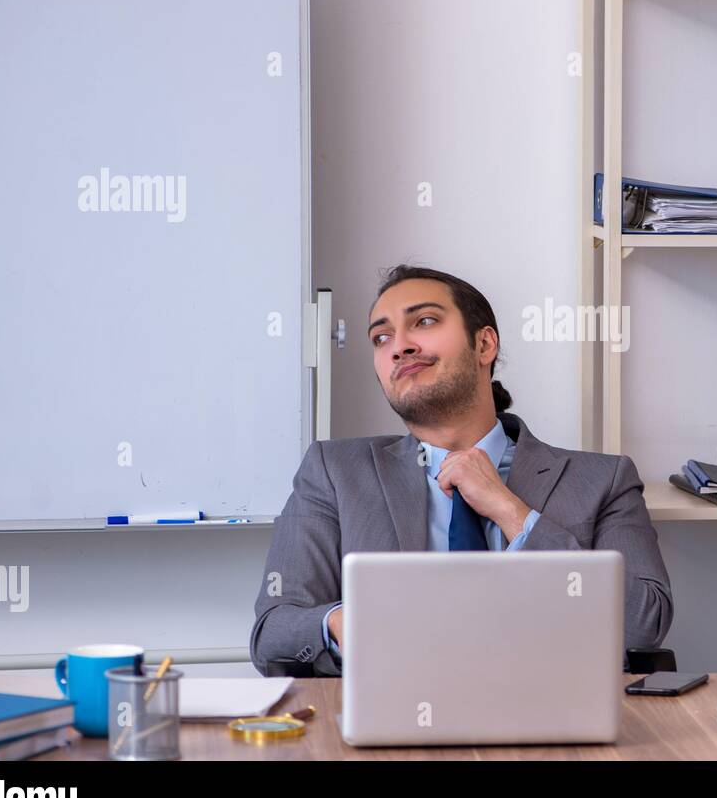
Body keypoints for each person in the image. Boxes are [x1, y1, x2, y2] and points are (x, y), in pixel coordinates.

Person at [250, 264, 673, 675]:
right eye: (381, 337)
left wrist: (513, 513)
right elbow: (273, 631)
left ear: (485, 345)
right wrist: (340, 624)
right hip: (392, 721)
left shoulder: (604, 479)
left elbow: (642, 625)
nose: (399, 346)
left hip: (550, 721)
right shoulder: (334, 472)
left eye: (425, 321)